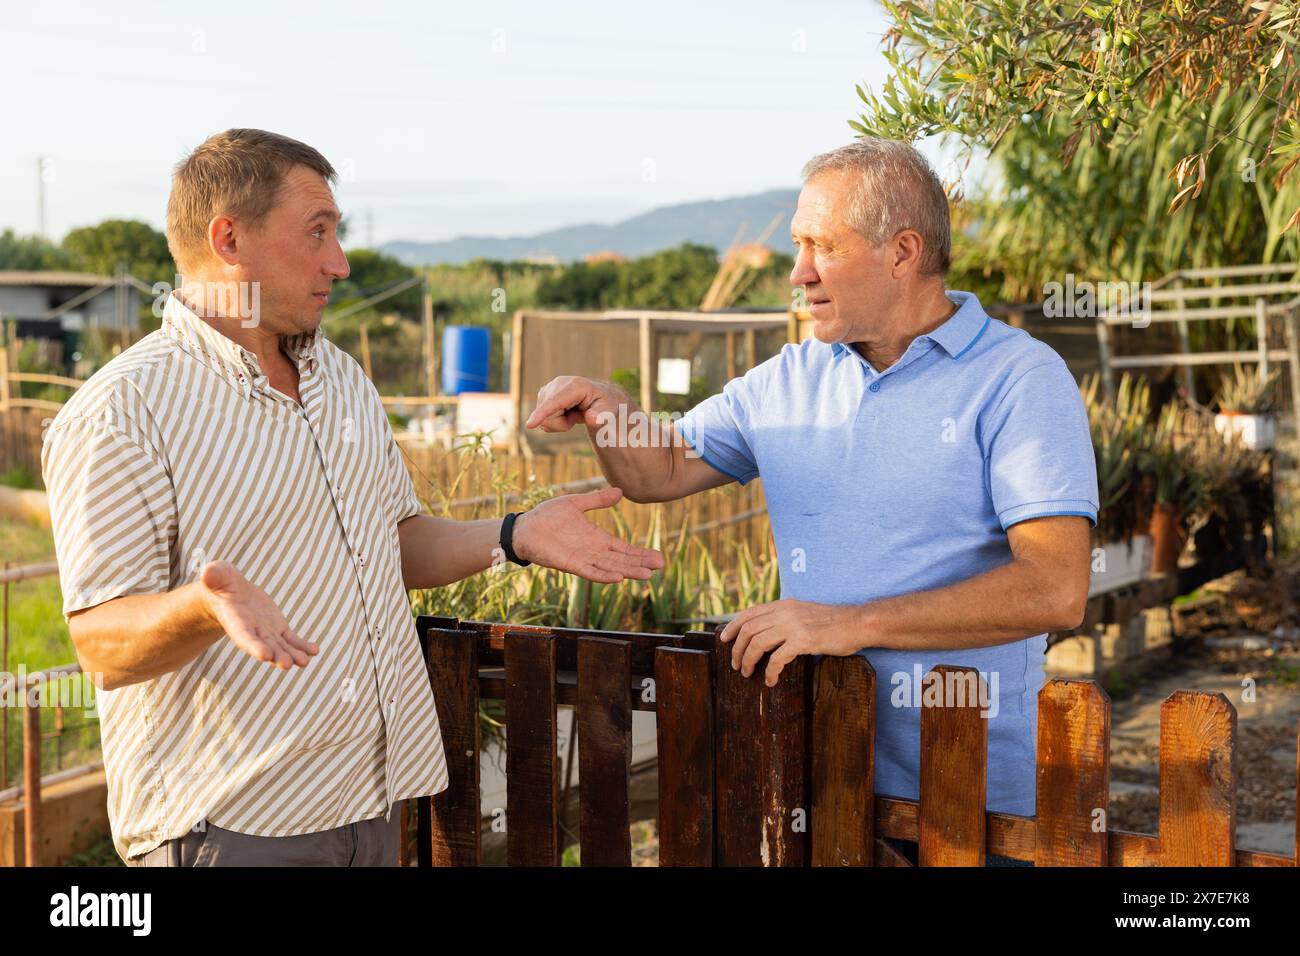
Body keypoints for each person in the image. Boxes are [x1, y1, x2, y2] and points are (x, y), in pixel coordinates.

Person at [41, 128, 664, 867]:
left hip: (373, 807)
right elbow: (101, 645)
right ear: (228, 238)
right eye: (317, 232)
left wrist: (514, 533)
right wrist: (202, 607)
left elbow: (392, 540)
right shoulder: (122, 409)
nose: (338, 262)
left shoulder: (340, 377)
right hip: (235, 829)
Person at [526, 138, 1099, 866]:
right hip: (817, 781)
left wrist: (849, 624)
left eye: (822, 246)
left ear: (903, 252)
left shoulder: (1020, 380)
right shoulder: (788, 377)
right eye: (799, 246)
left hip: (974, 799)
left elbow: (1054, 587)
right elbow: (662, 466)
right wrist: (609, 410)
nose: (800, 273)